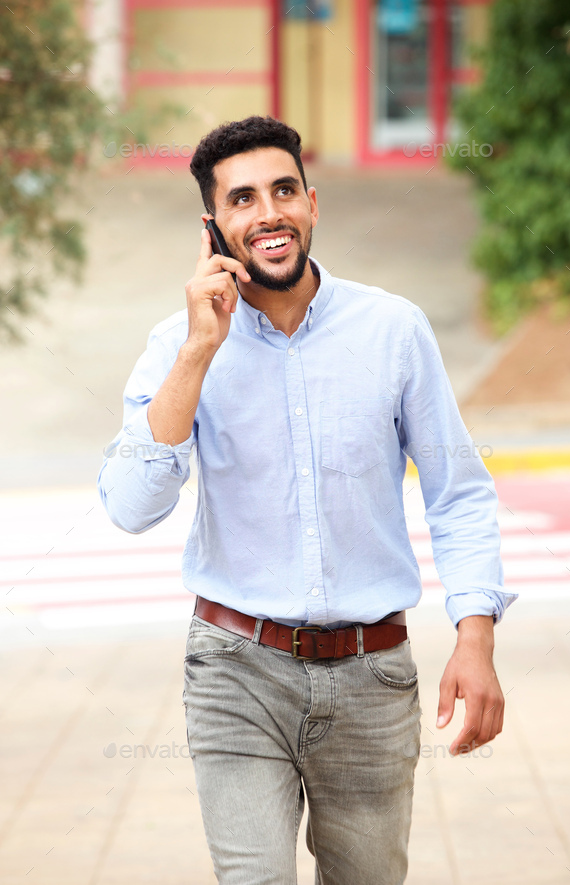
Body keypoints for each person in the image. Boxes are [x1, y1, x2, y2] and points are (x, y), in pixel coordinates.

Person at [98, 115, 516, 885]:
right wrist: (199, 349)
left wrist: (475, 636)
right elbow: (130, 504)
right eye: (243, 199)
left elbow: (459, 494)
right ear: (213, 225)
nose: (269, 214)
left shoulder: (393, 329)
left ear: (313, 204)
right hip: (235, 671)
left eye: (284, 190)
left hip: (373, 676)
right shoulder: (176, 345)